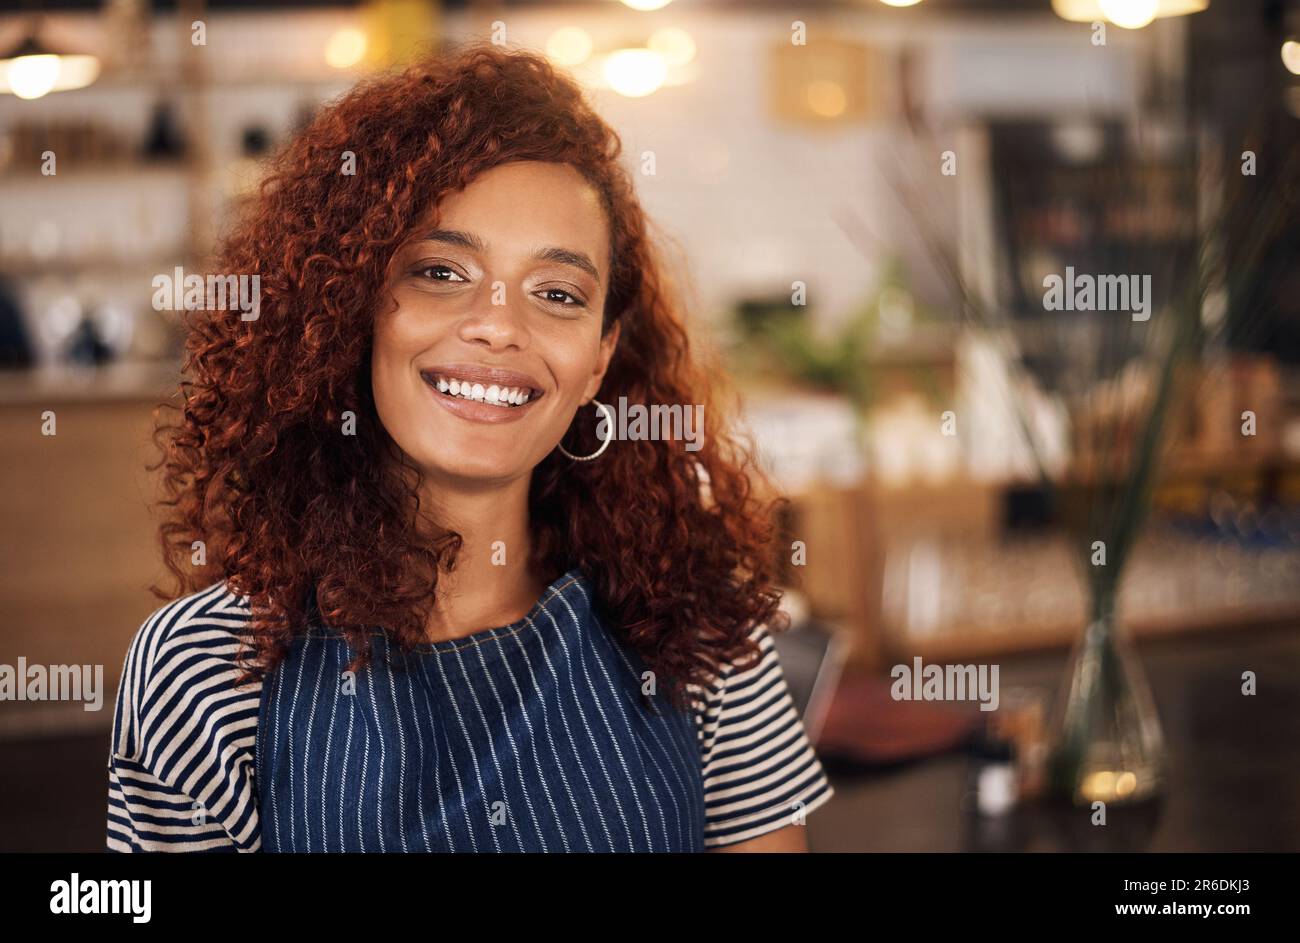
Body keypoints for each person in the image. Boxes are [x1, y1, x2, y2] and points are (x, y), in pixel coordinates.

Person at [107, 41, 832, 853]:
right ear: (355, 307)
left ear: (596, 356)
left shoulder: (699, 625)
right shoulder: (204, 669)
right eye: (441, 272)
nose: (498, 325)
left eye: (556, 293)